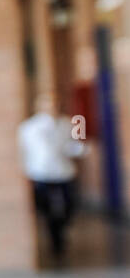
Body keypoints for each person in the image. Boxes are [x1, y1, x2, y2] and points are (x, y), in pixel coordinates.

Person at [17, 92, 86, 260]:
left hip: (63, 171)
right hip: (41, 172)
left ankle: (61, 227)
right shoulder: (29, 127)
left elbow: (71, 145)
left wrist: (80, 149)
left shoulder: (67, 123)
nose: (52, 108)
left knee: (70, 203)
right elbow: (24, 152)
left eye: (54, 104)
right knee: (46, 208)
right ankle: (55, 237)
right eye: (48, 104)